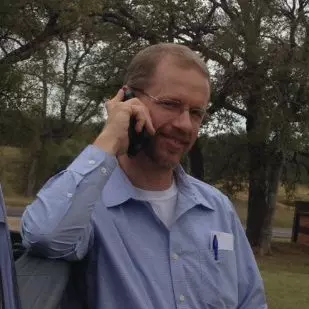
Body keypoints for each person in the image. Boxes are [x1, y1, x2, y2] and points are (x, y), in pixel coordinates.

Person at [21, 43, 267, 309]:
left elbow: (250, 300)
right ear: (128, 101)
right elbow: (44, 236)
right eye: (171, 104)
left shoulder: (217, 208)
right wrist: (109, 138)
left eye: (196, 113)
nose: (185, 125)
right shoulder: (88, 205)